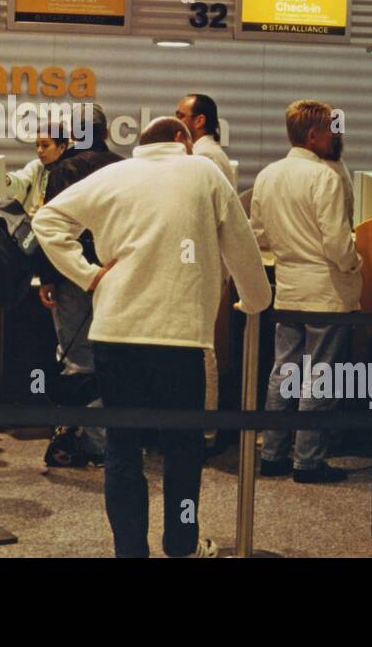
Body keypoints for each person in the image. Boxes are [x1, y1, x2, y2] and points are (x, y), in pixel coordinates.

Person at [33, 117, 272, 558]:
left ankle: (130, 551)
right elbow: (241, 246)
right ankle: (180, 543)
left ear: (142, 144)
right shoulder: (203, 172)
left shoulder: (114, 174)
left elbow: (47, 221)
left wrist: (87, 276)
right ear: (182, 139)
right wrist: (255, 300)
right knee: (182, 451)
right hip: (179, 339)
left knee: (124, 450)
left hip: (115, 332)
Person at [252, 100, 362, 483]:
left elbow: (260, 234)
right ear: (313, 135)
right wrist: (355, 263)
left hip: (287, 288)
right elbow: (337, 242)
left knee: (284, 369)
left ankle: (272, 454)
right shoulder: (326, 177)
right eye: (332, 129)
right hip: (327, 290)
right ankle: (308, 461)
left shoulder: (268, 175)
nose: (337, 136)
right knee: (320, 374)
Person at [34, 104, 121, 468]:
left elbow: (50, 227)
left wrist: (47, 278)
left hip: (73, 275)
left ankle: (89, 440)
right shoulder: (123, 167)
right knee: (113, 356)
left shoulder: (64, 169)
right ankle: (110, 438)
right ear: (104, 132)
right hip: (116, 273)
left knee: (76, 356)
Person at [175, 94, 235, 450]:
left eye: (180, 114)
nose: (175, 119)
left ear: (199, 121)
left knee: (201, 349)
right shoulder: (206, 155)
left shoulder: (205, 157)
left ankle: (206, 431)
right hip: (202, 260)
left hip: (202, 262)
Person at [176, 93, 236, 190]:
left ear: (199, 121)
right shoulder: (204, 151)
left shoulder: (205, 155)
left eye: (180, 116)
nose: (176, 121)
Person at [1, 130, 68, 214]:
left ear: (62, 147)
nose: (39, 150)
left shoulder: (71, 172)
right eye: (37, 145)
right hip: (29, 224)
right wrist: (7, 179)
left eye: (45, 145)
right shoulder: (37, 166)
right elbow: (22, 179)